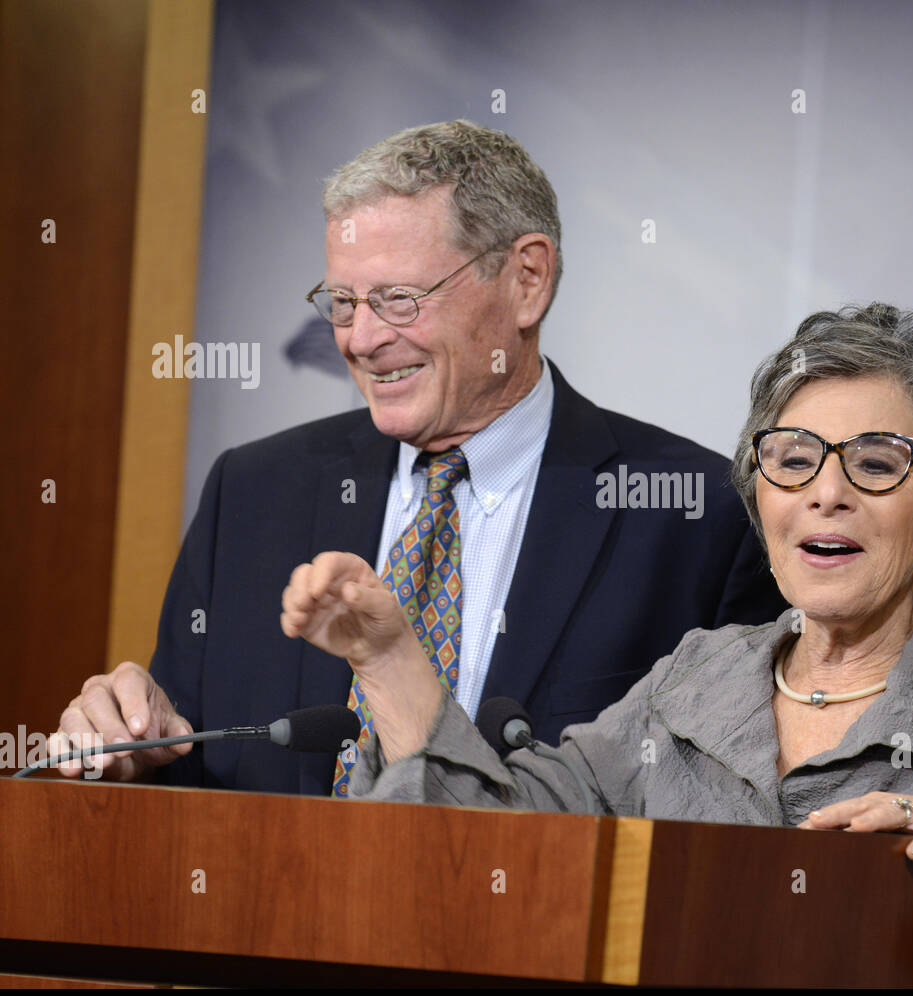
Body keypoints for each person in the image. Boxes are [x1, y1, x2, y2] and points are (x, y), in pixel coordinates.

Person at [281, 303, 913, 988]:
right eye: (793, 458)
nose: (827, 493)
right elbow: (500, 849)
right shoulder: (695, 679)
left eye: (879, 464)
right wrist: (389, 661)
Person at [52, 120, 783, 794]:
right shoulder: (250, 493)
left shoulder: (696, 517)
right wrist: (135, 745)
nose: (362, 339)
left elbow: (719, 807)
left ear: (528, 279)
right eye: (342, 302)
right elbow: (188, 765)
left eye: (398, 299)